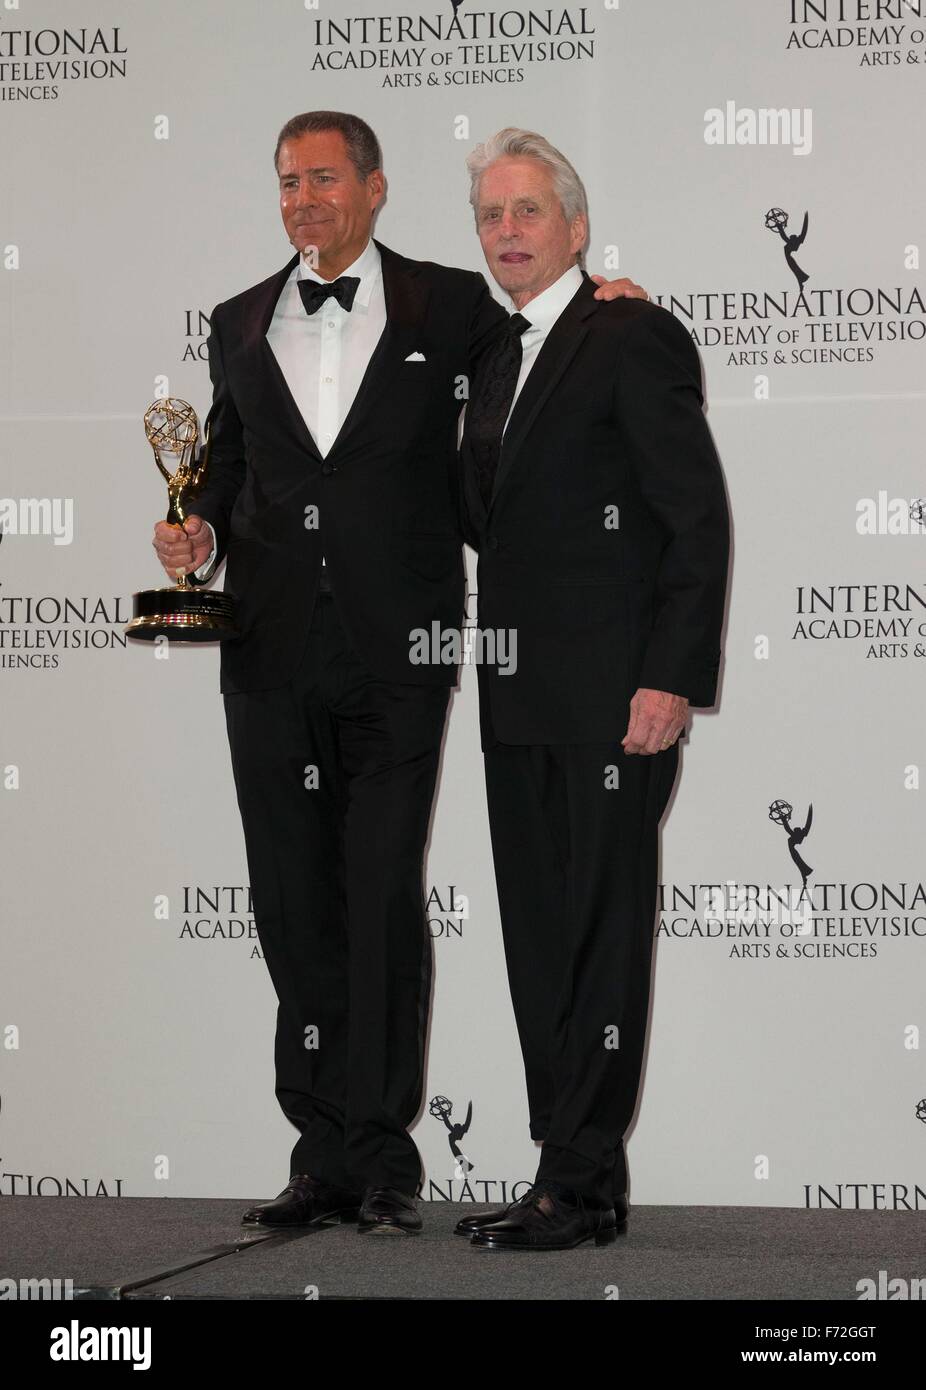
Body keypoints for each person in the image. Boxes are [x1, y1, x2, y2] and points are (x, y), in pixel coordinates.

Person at [149, 110, 645, 1237]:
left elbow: (544, 330)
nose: (304, 199)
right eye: (287, 182)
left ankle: (380, 1156)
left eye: (324, 178)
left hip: (402, 655)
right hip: (266, 653)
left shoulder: (448, 303)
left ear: (374, 188)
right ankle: (318, 1152)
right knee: (289, 904)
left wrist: (608, 293)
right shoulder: (236, 321)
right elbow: (223, 470)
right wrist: (194, 537)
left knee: (376, 900)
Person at [453, 129, 730, 1251]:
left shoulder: (630, 333)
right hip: (514, 692)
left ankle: (578, 1181)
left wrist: (670, 676)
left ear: (574, 225)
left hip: (616, 697)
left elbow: (692, 516)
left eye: (526, 212)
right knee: (535, 936)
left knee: (599, 932)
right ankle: (564, 1172)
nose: (507, 233)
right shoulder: (485, 356)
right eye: (489, 216)